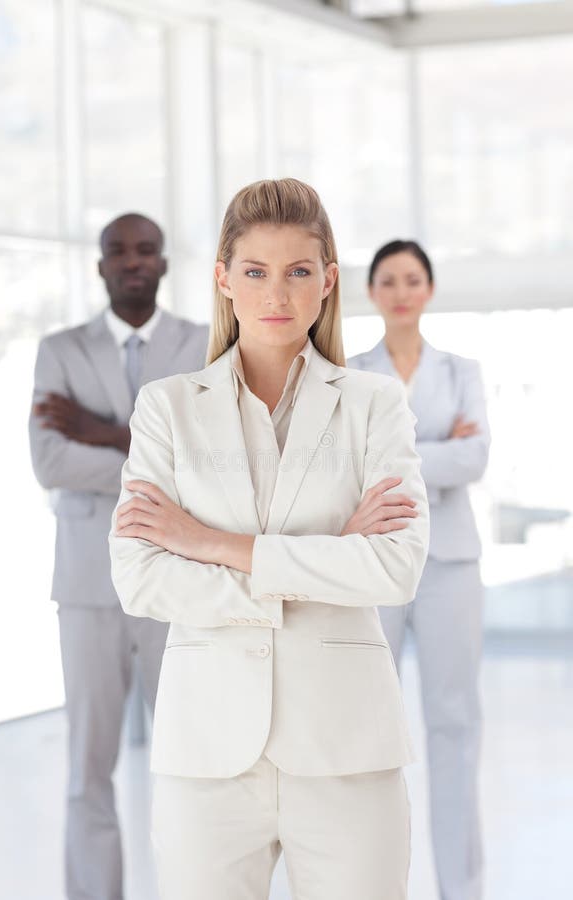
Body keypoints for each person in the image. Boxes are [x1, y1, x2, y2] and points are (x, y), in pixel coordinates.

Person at [109, 179, 429, 900]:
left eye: (298, 271)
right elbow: (141, 578)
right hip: (207, 751)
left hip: (347, 747)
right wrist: (327, 559)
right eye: (254, 271)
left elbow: (396, 568)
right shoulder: (166, 409)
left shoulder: (375, 404)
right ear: (224, 279)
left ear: (328, 282)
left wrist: (209, 541)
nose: (275, 293)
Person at [29, 212, 208, 900]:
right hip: (87, 586)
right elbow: (49, 459)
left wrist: (103, 431)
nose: (132, 261)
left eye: (146, 250)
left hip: (177, 579)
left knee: (191, 764)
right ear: (100, 265)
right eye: (117, 251)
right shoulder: (59, 349)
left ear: (163, 263)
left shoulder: (201, 345)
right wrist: (151, 457)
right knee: (87, 769)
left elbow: (206, 460)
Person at [349, 239, 490, 900]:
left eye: (413, 279)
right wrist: (439, 453)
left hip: (451, 563)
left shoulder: (463, 371)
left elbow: (476, 459)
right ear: (372, 292)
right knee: (372, 722)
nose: (401, 291)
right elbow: (350, 469)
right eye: (388, 280)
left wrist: (400, 462)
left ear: (428, 289)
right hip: (379, 559)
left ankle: (463, 887)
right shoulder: (349, 373)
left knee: (455, 721)